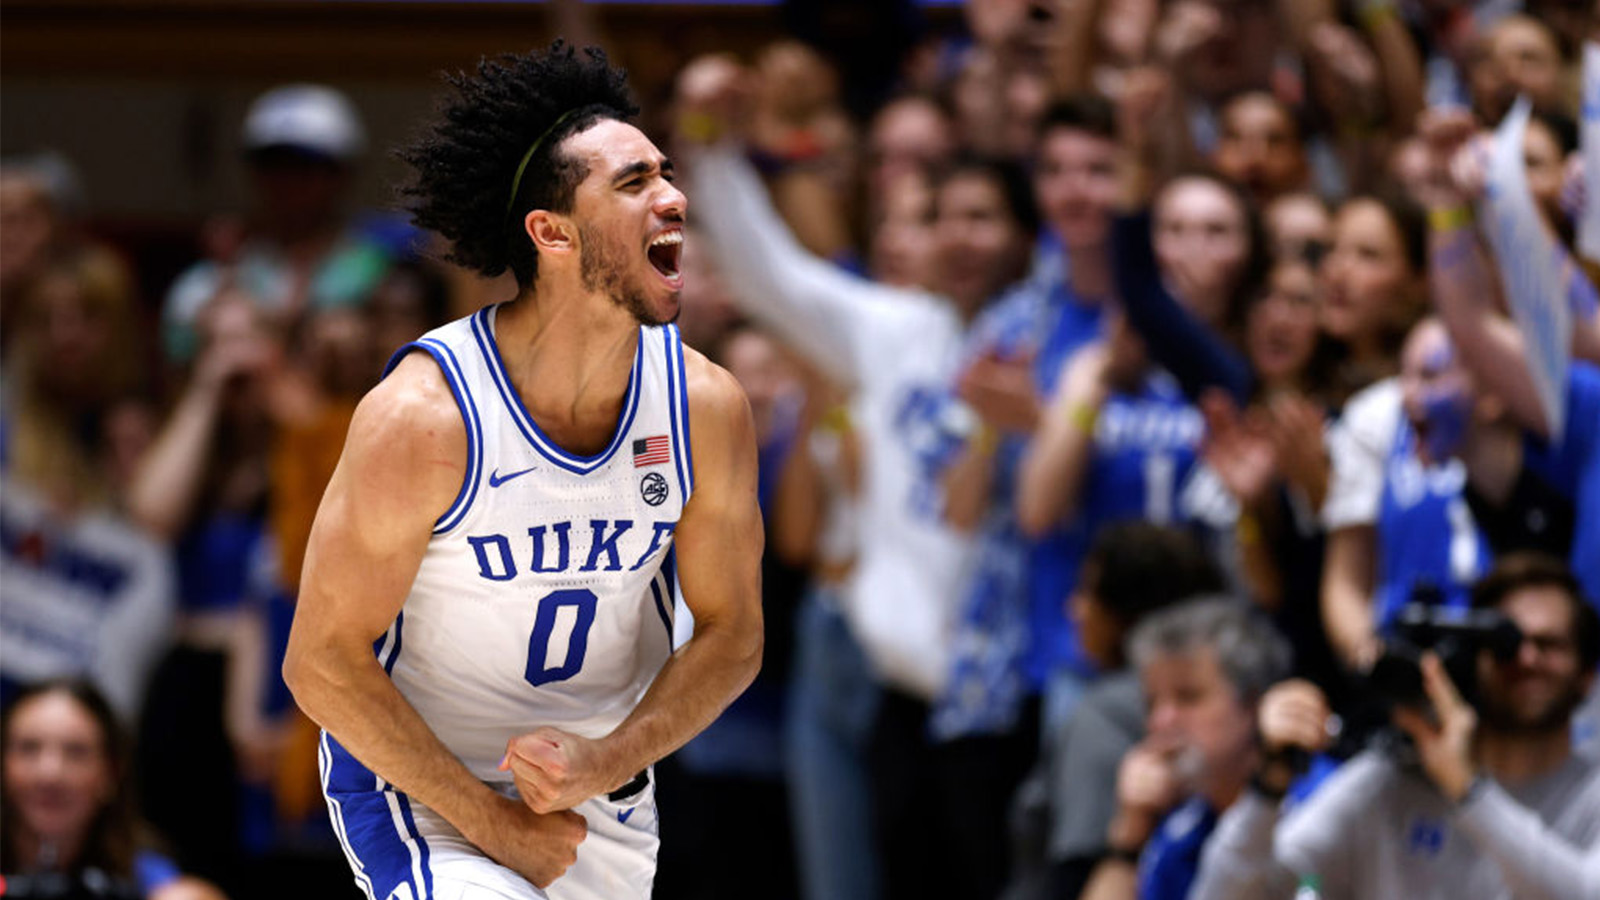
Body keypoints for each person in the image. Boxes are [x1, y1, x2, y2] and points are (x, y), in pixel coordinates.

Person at [282, 43, 763, 899]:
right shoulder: (424, 417)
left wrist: (607, 759)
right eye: (634, 182)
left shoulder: (705, 408)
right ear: (552, 233)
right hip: (422, 788)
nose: (673, 197)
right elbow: (320, 661)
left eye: (666, 173)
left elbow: (734, 636)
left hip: (595, 793)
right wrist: (492, 822)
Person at [1192, 553, 1600, 900]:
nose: (1526, 659)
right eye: (1505, 645)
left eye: (1549, 644)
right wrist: (1268, 787)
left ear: (1587, 675)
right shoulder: (1388, 782)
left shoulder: (1593, 790)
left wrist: (1469, 791)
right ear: (1478, 661)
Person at [1079, 597, 1293, 900]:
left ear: (1253, 704)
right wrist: (1129, 838)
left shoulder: (1316, 805)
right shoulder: (1182, 826)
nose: (1161, 720)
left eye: (1188, 697)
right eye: (1151, 703)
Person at [1, 679, 225, 900]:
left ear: (111, 773)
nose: (50, 774)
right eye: (29, 748)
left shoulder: (153, 884)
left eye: (76, 752)